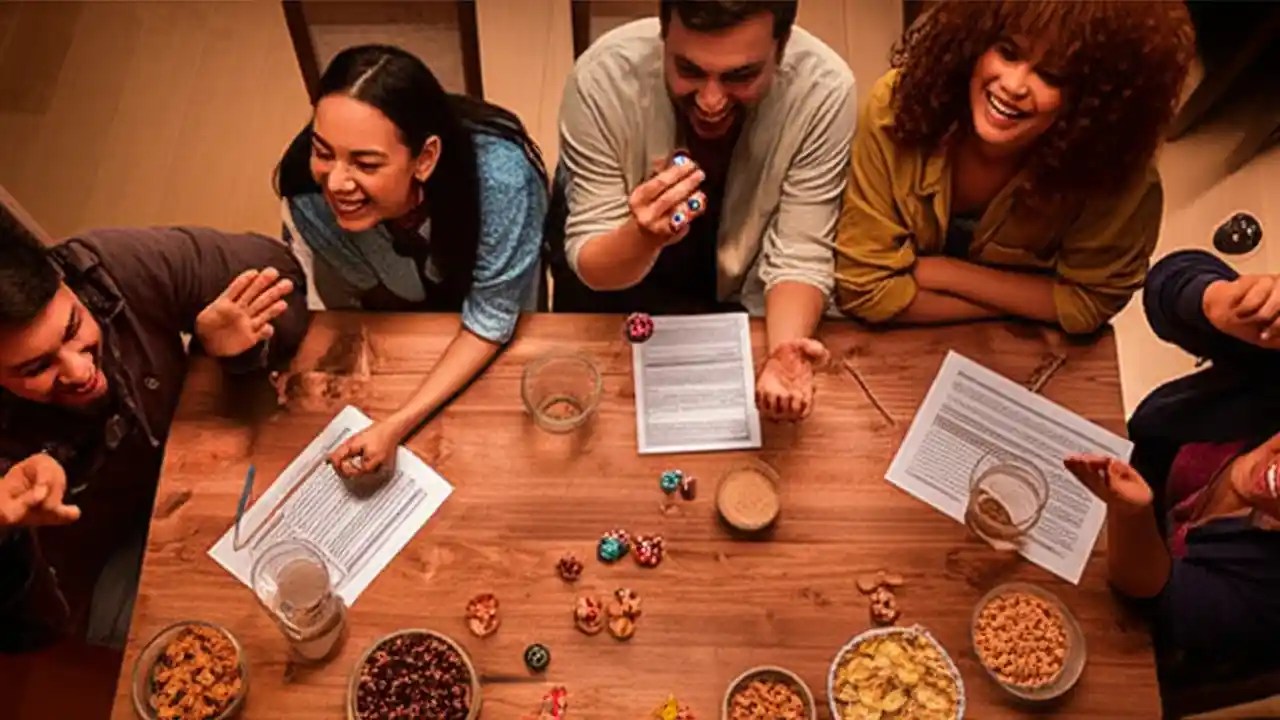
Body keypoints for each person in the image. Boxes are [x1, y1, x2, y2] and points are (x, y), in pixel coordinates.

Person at [0, 211, 309, 652]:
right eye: (36, 368)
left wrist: (234, 348)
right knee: (246, 649)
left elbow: (282, 272)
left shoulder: (107, 267)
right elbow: (23, 634)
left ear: (63, 279)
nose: (81, 369)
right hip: (107, 565)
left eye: (73, 329)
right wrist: (6, 533)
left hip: (201, 487)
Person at [549, 0, 854, 422]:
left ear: (782, 48)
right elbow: (592, 262)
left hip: (743, 285)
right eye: (689, 71)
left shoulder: (825, 89)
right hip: (617, 277)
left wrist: (784, 351)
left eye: (741, 76)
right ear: (663, 35)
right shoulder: (601, 77)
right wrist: (643, 237)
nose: (711, 102)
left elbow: (800, 253)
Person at [835, 1, 1195, 335]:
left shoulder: (1118, 174)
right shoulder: (896, 108)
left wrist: (946, 274)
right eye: (1008, 53)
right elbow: (864, 290)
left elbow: (1090, 303)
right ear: (974, 40)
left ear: (1098, 99)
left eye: (1051, 76)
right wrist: (1026, 303)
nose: (1013, 85)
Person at [274, 45, 549, 478]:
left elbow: (495, 314)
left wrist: (395, 425)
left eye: (365, 163)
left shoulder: (502, 179)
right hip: (402, 331)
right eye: (323, 152)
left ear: (425, 158)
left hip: (501, 324)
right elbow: (369, 294)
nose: (336, 183)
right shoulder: (307, 196)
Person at [1063, 249, 1280, 692]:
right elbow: (1166, 286)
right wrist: (1220, 303)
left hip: (1135, 636)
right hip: (1110, 480)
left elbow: (1156, 597)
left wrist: (1130, 515)